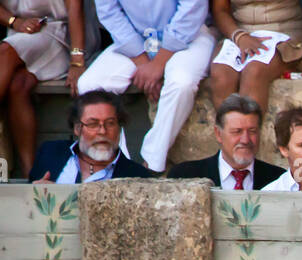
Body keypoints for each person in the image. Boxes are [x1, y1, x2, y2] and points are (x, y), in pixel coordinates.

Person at [76, 0, 215, 173]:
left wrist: (158, 64)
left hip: (190, 36)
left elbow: (192, 9)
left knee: (182, 82)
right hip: (135, 39)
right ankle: (118, 165)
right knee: (89, 85)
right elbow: (109, 12)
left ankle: (151, 163)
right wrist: (143, 63)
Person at [0, 0, 85, 174]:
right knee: (18, 84)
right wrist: (14, 21)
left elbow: (75, 9)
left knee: (6, 50)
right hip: (22, 33)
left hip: (62, 34)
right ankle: (30, 173)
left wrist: (77, 61)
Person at [207, 0, 302, 115]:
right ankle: (232, 130)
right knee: (222, 75)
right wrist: (239, 36)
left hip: (285, 31)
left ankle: (249, 130)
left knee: (254, 71)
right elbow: (220, 10)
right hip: (240, 31)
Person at [28, 88, 154, 181]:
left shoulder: (138, 177)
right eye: (93, 124)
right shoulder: (50, 153)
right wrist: (35, 194)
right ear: (77, 128)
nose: (102, 131)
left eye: (110, 123)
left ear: (119, 128)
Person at [167, 92, 282, 188]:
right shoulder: (185, 176)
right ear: (218, 134)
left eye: (252, 131)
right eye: (237, 131)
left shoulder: (278, 180)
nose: (245, 140)